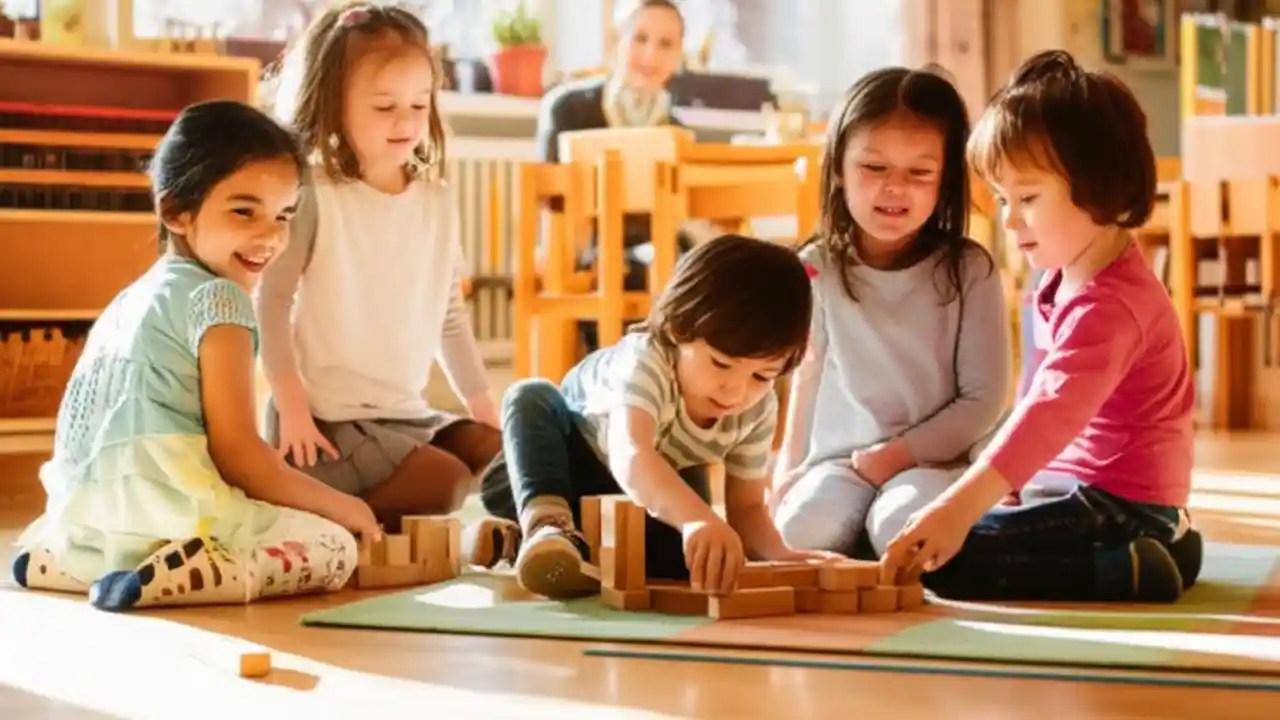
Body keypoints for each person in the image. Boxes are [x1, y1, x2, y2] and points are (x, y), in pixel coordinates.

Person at [10, 100, 376, 612]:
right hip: (175, 516)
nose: (270, 235)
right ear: (175, 211)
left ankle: (61, 563)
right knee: (332, 545)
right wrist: (344, 507)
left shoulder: (132, 297)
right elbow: (241, 457)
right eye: (244, 211)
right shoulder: (220, 300)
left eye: (284, 215)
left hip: (87, 515)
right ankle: (188, 572)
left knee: (125, 534)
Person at [880, 50, 1203, 603]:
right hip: (1110, 502)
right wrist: (1013, 489)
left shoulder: (1112, 305)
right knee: (957, 531)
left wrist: (961, 506)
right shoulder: (1061, 280)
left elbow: (1047, 415)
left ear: (1097, 185)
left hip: (1112, 507)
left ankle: (1125, 566)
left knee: (943, 559)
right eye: (1004, 199)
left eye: (1027, 198)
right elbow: (1037, 401)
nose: (1008, 220)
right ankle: (1160, 548)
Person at [257, 3, 517, 563]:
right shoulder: (314, 194)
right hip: (329, 420)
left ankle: (354, 517)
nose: (405, 121)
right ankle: (323, 519)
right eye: (384, 107)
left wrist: (481, 403)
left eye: (418, 105)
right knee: (445, 483)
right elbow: (271, 303)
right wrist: (292, 407)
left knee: (498, 451)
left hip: (404, 412)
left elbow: (449, 313)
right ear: (333, 103)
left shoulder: (437, 199)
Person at [492, 234, 840, 599]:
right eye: (721, 363)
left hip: (634, 495)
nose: (734, 391)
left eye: (762, 376)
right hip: (554, 467)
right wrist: (696, 518)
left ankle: (507, 542)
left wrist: (780, 555)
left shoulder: (757, 407)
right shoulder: (646, 362)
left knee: (688, 560)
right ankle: (545, 526)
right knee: (531, 397)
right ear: (678, 328)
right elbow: (631, 454)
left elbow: (747, 506)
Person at [770, 66, 1009, 560]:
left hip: (935, 463)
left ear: (945, 182)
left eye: (919, 173)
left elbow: (983, 399)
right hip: (839, 464)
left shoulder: (970, 271)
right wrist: (785, 473)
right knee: (796, 531)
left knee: (903, 528)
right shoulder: (813, 269)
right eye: (873, 168)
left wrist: (898, 455)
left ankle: (872, 538)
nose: (894, 189)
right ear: (838, 168)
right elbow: (806, 377)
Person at [536, 0, 691, 351]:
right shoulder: (567, 109)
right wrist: (550, 253)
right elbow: (550, 197)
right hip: (588, 248)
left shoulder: (677, 130)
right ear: (616, 41)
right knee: (620, 271)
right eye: (639, 38)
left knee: (699, 273)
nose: (650, 54)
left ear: (678, 55)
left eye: (666, 44)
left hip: (661, 249)